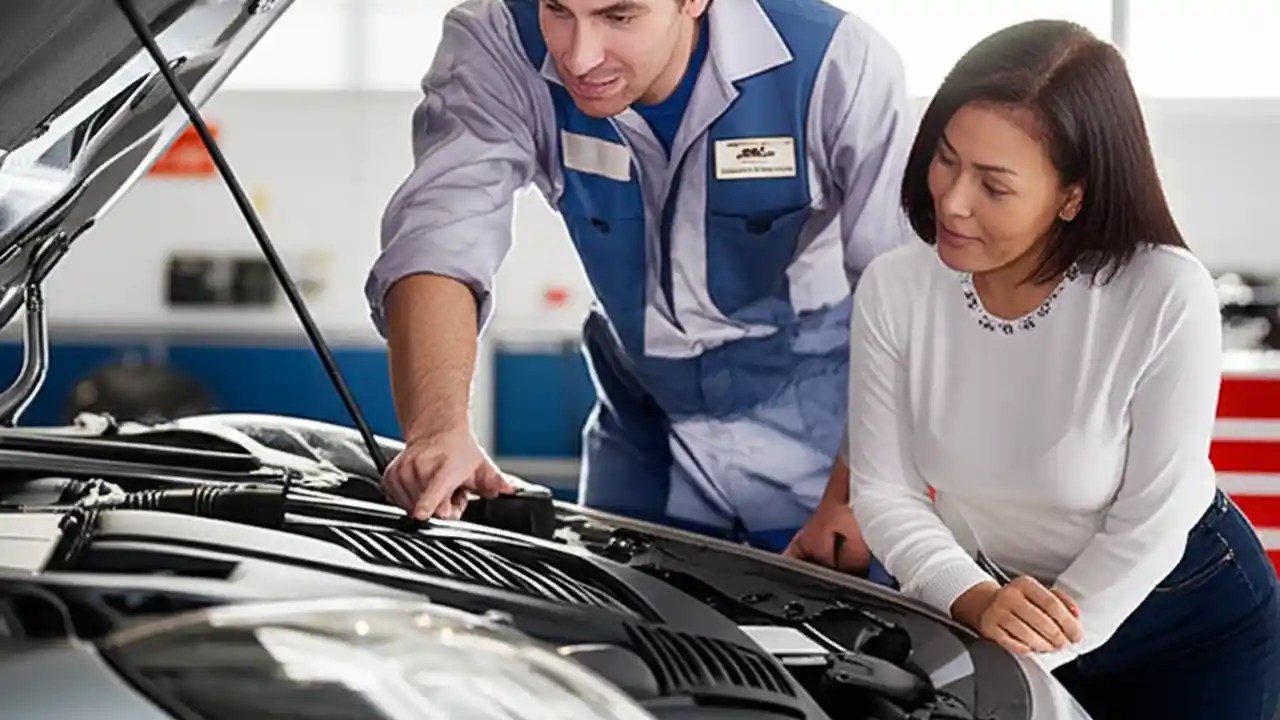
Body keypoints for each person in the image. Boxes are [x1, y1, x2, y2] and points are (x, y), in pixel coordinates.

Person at [804, 18, 1280, 719]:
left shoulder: (1163, 291)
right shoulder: (897, 288)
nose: (953, 201)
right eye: (945, 158)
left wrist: (1024, 649)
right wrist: (975, 601)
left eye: (994, 186)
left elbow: (1152, 518)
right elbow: (885, 491)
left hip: (1183, 614)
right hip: (1001, 605)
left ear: (1071, 196)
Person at [364, 0, 914, 555]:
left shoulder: (838, 62)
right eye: (557, 9)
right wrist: (437, 430)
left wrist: (858, 493)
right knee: (611, 624)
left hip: (819, 445)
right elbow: (441, 231)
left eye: (618, 16)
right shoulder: (499, 41)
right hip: (642, 433)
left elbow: (904, 299)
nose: (579, 58)